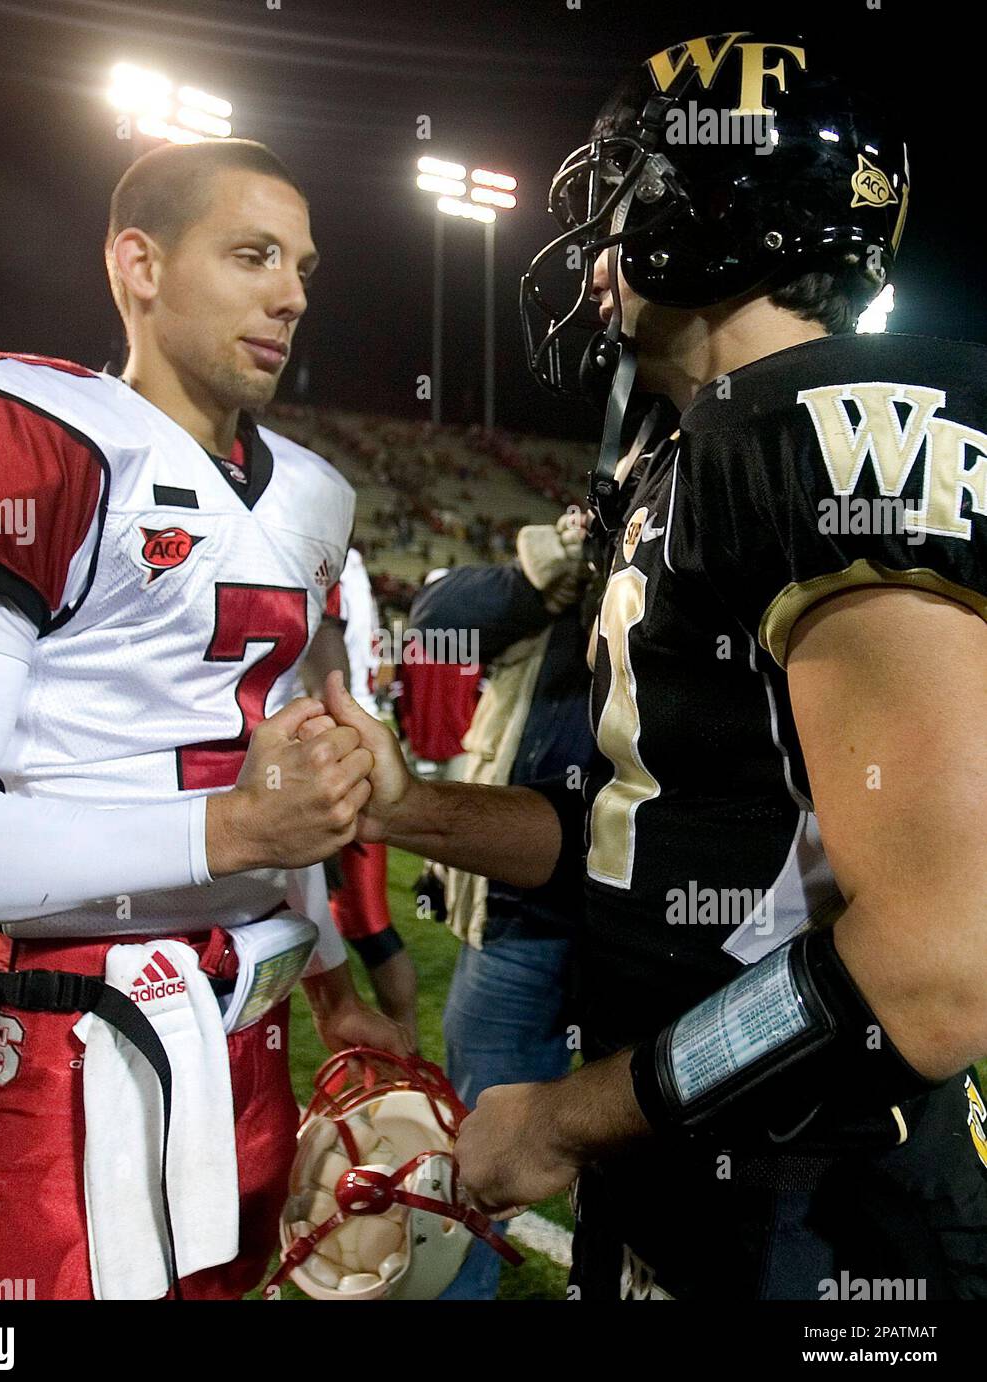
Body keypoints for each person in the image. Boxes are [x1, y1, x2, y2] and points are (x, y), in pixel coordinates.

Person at [308, 27, 987, 1300]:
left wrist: (561, 1119)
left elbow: (937, 970)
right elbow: (633, 832)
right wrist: (409, 806)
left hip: (822, 1207)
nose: (594, 246)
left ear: (705, 207)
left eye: (620, 192)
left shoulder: (825, 432)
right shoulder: (681, 458)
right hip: (690, 1163)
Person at [0, 138, 404, 1300]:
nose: (293, 293)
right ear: (138, 264)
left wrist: (337, 991)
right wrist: (233, 831)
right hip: (75, 1044)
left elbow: (284, 771)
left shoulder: (315, 492)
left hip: (251, 1032)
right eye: (252, 254)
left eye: (304, 265)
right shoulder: (28, 432)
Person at [411, 513, 598, 1300]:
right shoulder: (564, 580)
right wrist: (550, 565)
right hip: (523, 912)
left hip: (658, 923)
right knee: (477, 1160)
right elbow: (435, 622)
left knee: (666, 1177)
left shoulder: (701, 570)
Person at [326, 546, 419, 1046]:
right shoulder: (352, 562)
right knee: (346, 918)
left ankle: (405, 1058)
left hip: (338, 734)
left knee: (362, 920)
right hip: (352, 729)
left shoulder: (329, 557)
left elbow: (324, 652)